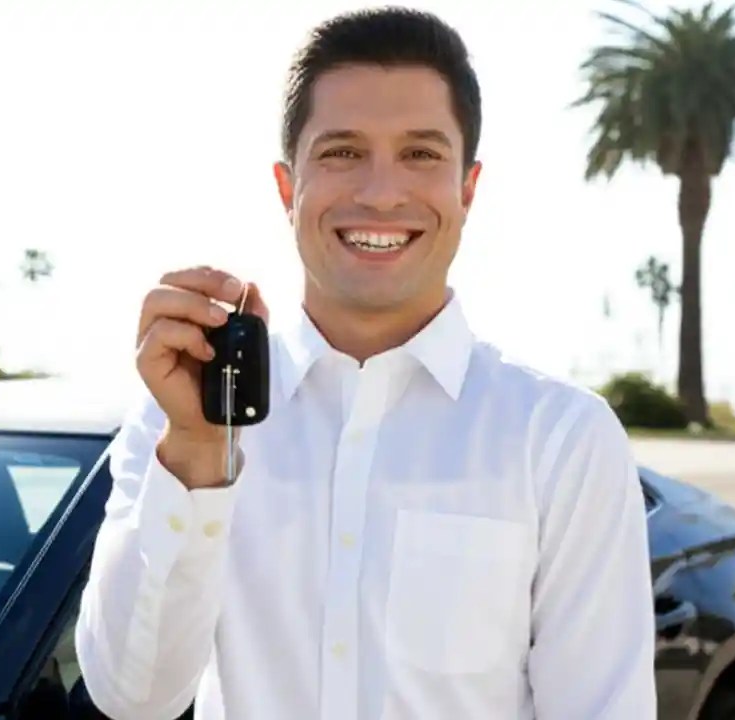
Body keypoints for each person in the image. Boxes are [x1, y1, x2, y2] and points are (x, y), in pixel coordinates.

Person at [74, 6, 656, 719]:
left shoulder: (562, 438)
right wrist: (196, 455)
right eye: (343, 152)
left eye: (420, 154)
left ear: (467, 189)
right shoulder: (185, 417)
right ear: (289, 189)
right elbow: (134, 700)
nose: (381, 192)